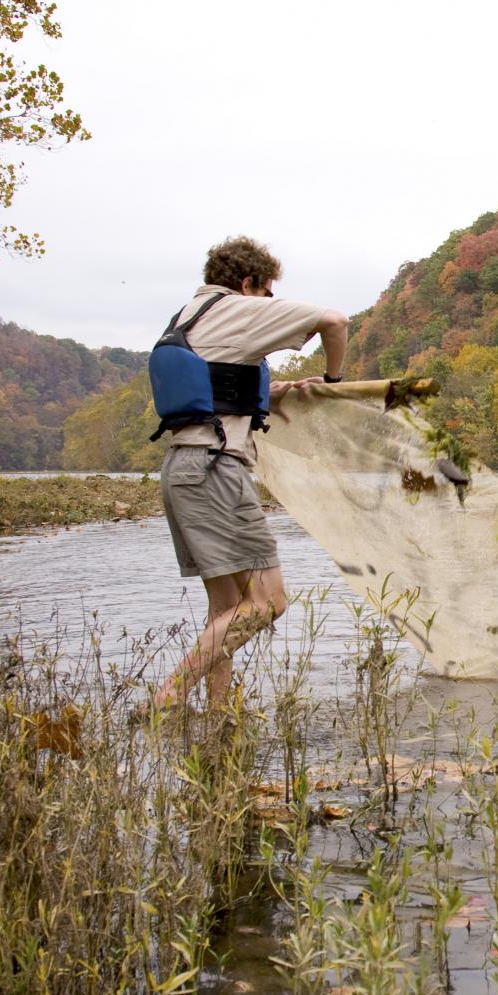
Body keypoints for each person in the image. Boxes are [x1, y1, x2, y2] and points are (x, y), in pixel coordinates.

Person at [149, 236, 347, 713]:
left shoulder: (189, 315)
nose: (269, 304)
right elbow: (335, 322)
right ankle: (170, 696)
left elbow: (216, 385)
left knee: (226, 609)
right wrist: (335, 380)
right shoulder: (238, 307)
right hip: (216, 470)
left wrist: (273, 392)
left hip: (182, 469)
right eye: (268, 291)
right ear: (247, 283)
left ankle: (219, 711)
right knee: (267, 603)